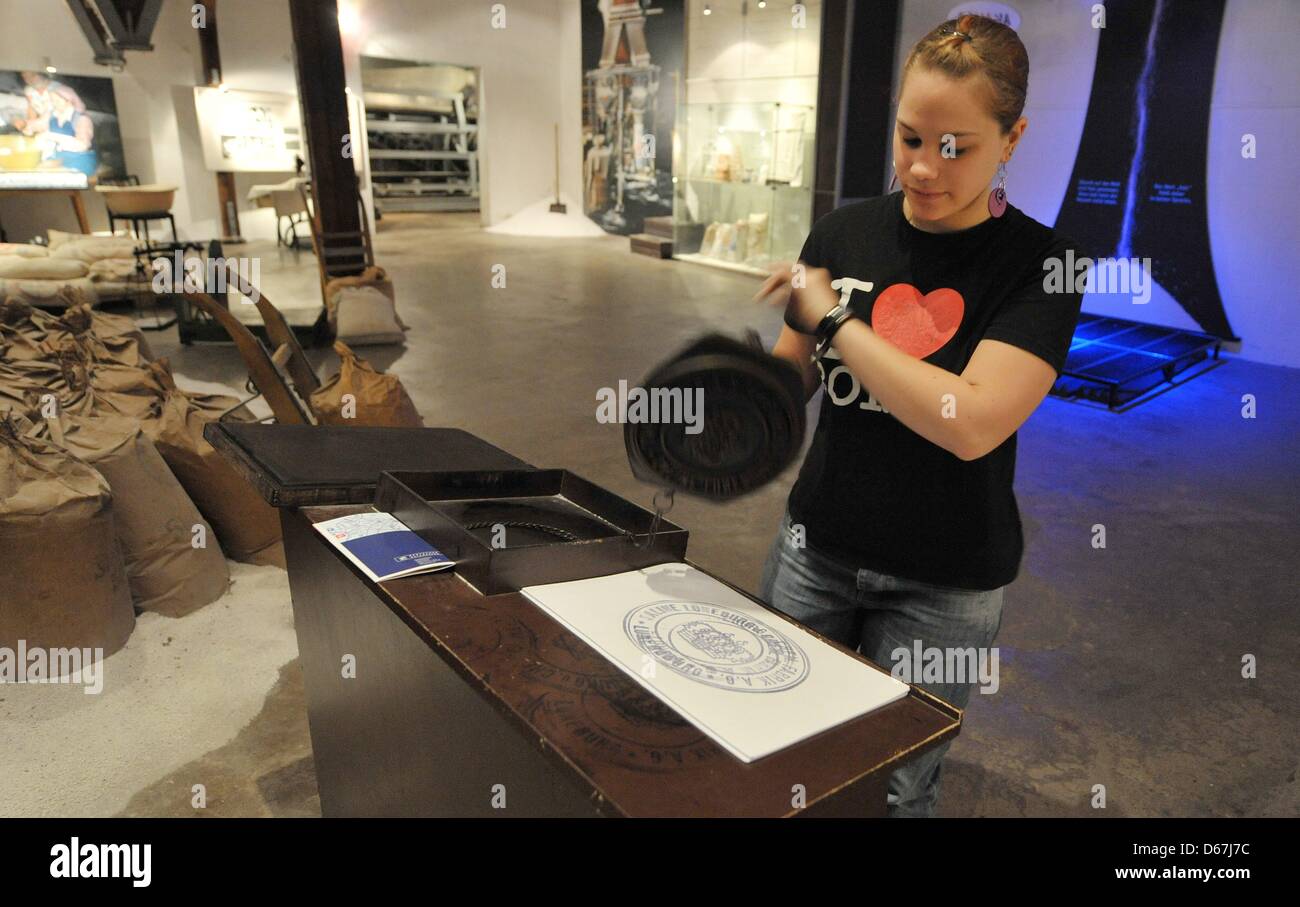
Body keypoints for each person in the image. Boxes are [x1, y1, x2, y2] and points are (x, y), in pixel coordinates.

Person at [752, 14, 1085, 817]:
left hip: (944, 578)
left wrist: (835, 319)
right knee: (777, 749)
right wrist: (720, 403)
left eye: (955, 148)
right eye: (908, 138)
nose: (921, 169)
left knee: (898, 787)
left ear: (1013, 138)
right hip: (815, 549)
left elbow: (969, 421)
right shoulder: (843, 231)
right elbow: (787, 381)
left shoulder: (1043, 265)